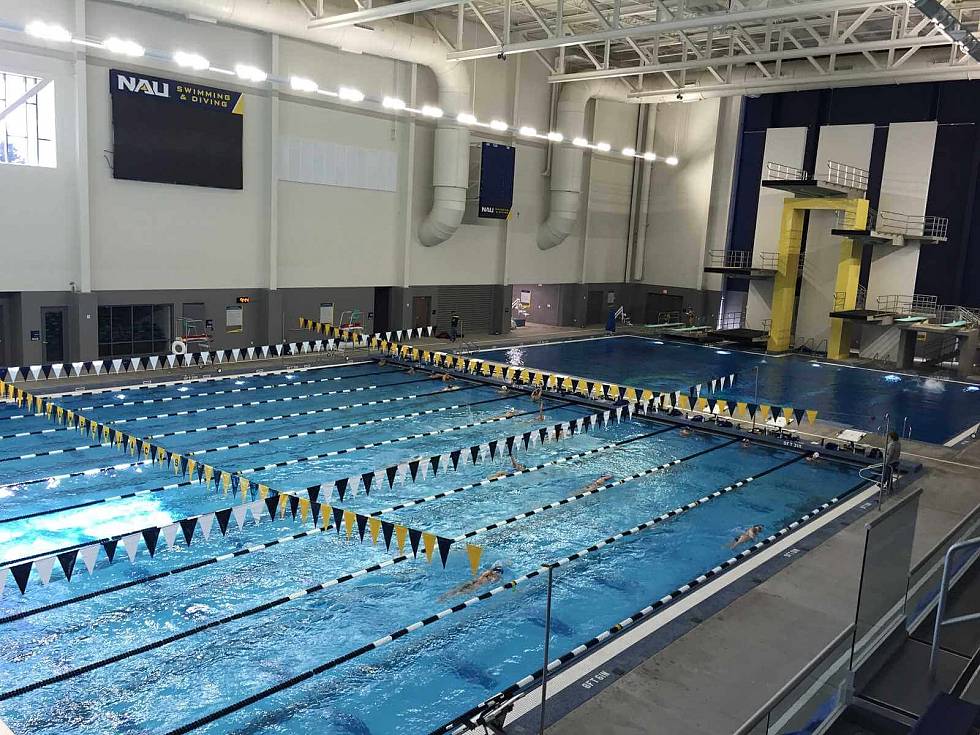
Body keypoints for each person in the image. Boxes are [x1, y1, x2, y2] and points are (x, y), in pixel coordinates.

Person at [439, 561, 504, 601]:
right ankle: (443, 597)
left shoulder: (490, 575)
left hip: (474, 583)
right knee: (457, 590)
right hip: (474, 583)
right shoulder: (488, 574)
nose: (497, 573)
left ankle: (445, 598)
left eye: (498, 572)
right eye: (497, 572)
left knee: (460, 592)